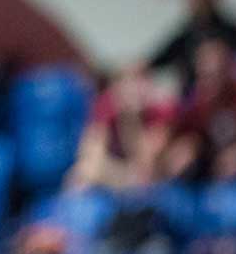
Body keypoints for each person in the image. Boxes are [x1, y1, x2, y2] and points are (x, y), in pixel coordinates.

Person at [162, 35, 236, 183]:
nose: (209, 83)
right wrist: (184, 150)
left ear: (230, 70)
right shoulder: (197, 103)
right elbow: (181, 138)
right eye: (204, 75)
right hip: (211, 174)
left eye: (216, 74)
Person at [66, 62, 174, 191]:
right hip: (120, 169)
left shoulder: (160, 110)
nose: (132, 89)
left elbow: (145, 163)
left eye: (138, 82)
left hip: (153, 175)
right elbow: (91, 148)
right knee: (85, 170)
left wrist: (130, 118)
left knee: (140, 178)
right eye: (127, 83)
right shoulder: (108, 103)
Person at [147, 0, 236, 92]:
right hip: (191, 97)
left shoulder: (233, 32)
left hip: (226, 95)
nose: (195, 0)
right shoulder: (184, 35)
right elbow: (159, 59)